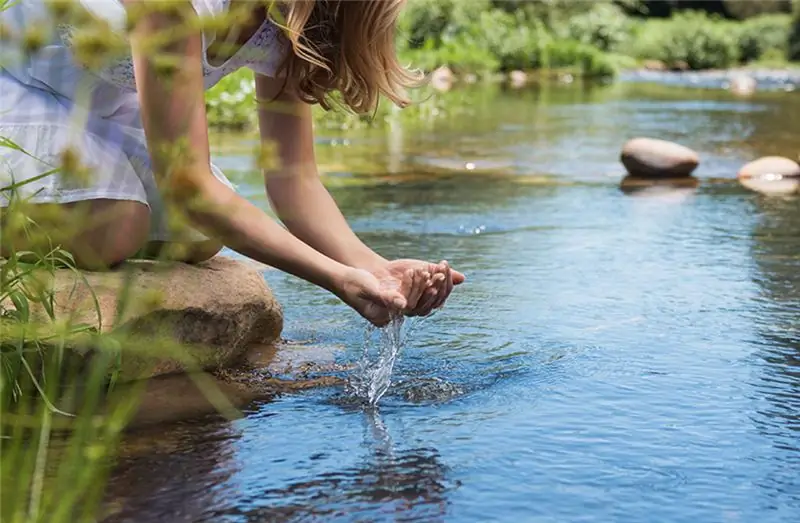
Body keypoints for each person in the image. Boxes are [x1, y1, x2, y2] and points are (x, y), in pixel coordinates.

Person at [0, 0, 465, 327]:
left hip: (98, 112)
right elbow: (188, 184)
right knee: (115, 226)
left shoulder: (285, 27)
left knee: (199, 233)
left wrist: (372, 268)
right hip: (17, 87)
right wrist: (334, 279)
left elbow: (295, 181)